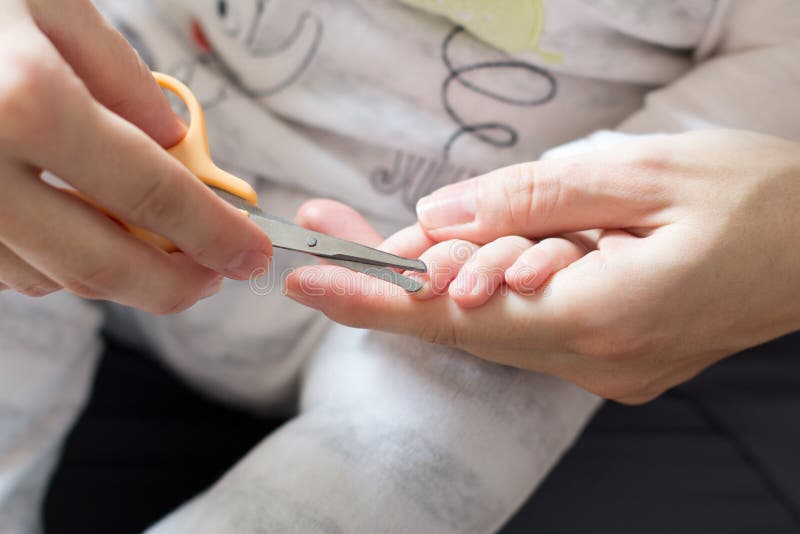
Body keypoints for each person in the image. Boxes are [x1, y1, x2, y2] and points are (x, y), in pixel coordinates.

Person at [0, 1, 798, 533]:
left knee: (482, 366)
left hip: (427, 272)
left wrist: (572, 221)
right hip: (72, 153)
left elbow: (760, 88)